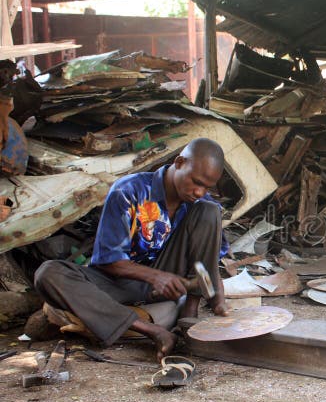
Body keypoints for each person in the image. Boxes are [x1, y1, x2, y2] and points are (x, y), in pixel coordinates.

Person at [34, 138, 230, 360]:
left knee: (209, 211)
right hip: (118, 282)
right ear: (179, 162)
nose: (199, 191)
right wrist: (156, 277)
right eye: (196, 182)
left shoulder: (201, 204)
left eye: (206, 187)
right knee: (48, 273)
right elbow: (109, 259)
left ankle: (188, 315)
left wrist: (218, 300)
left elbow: (205, 266)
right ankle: (153, 331)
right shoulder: (128, 191)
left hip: (167, 283)